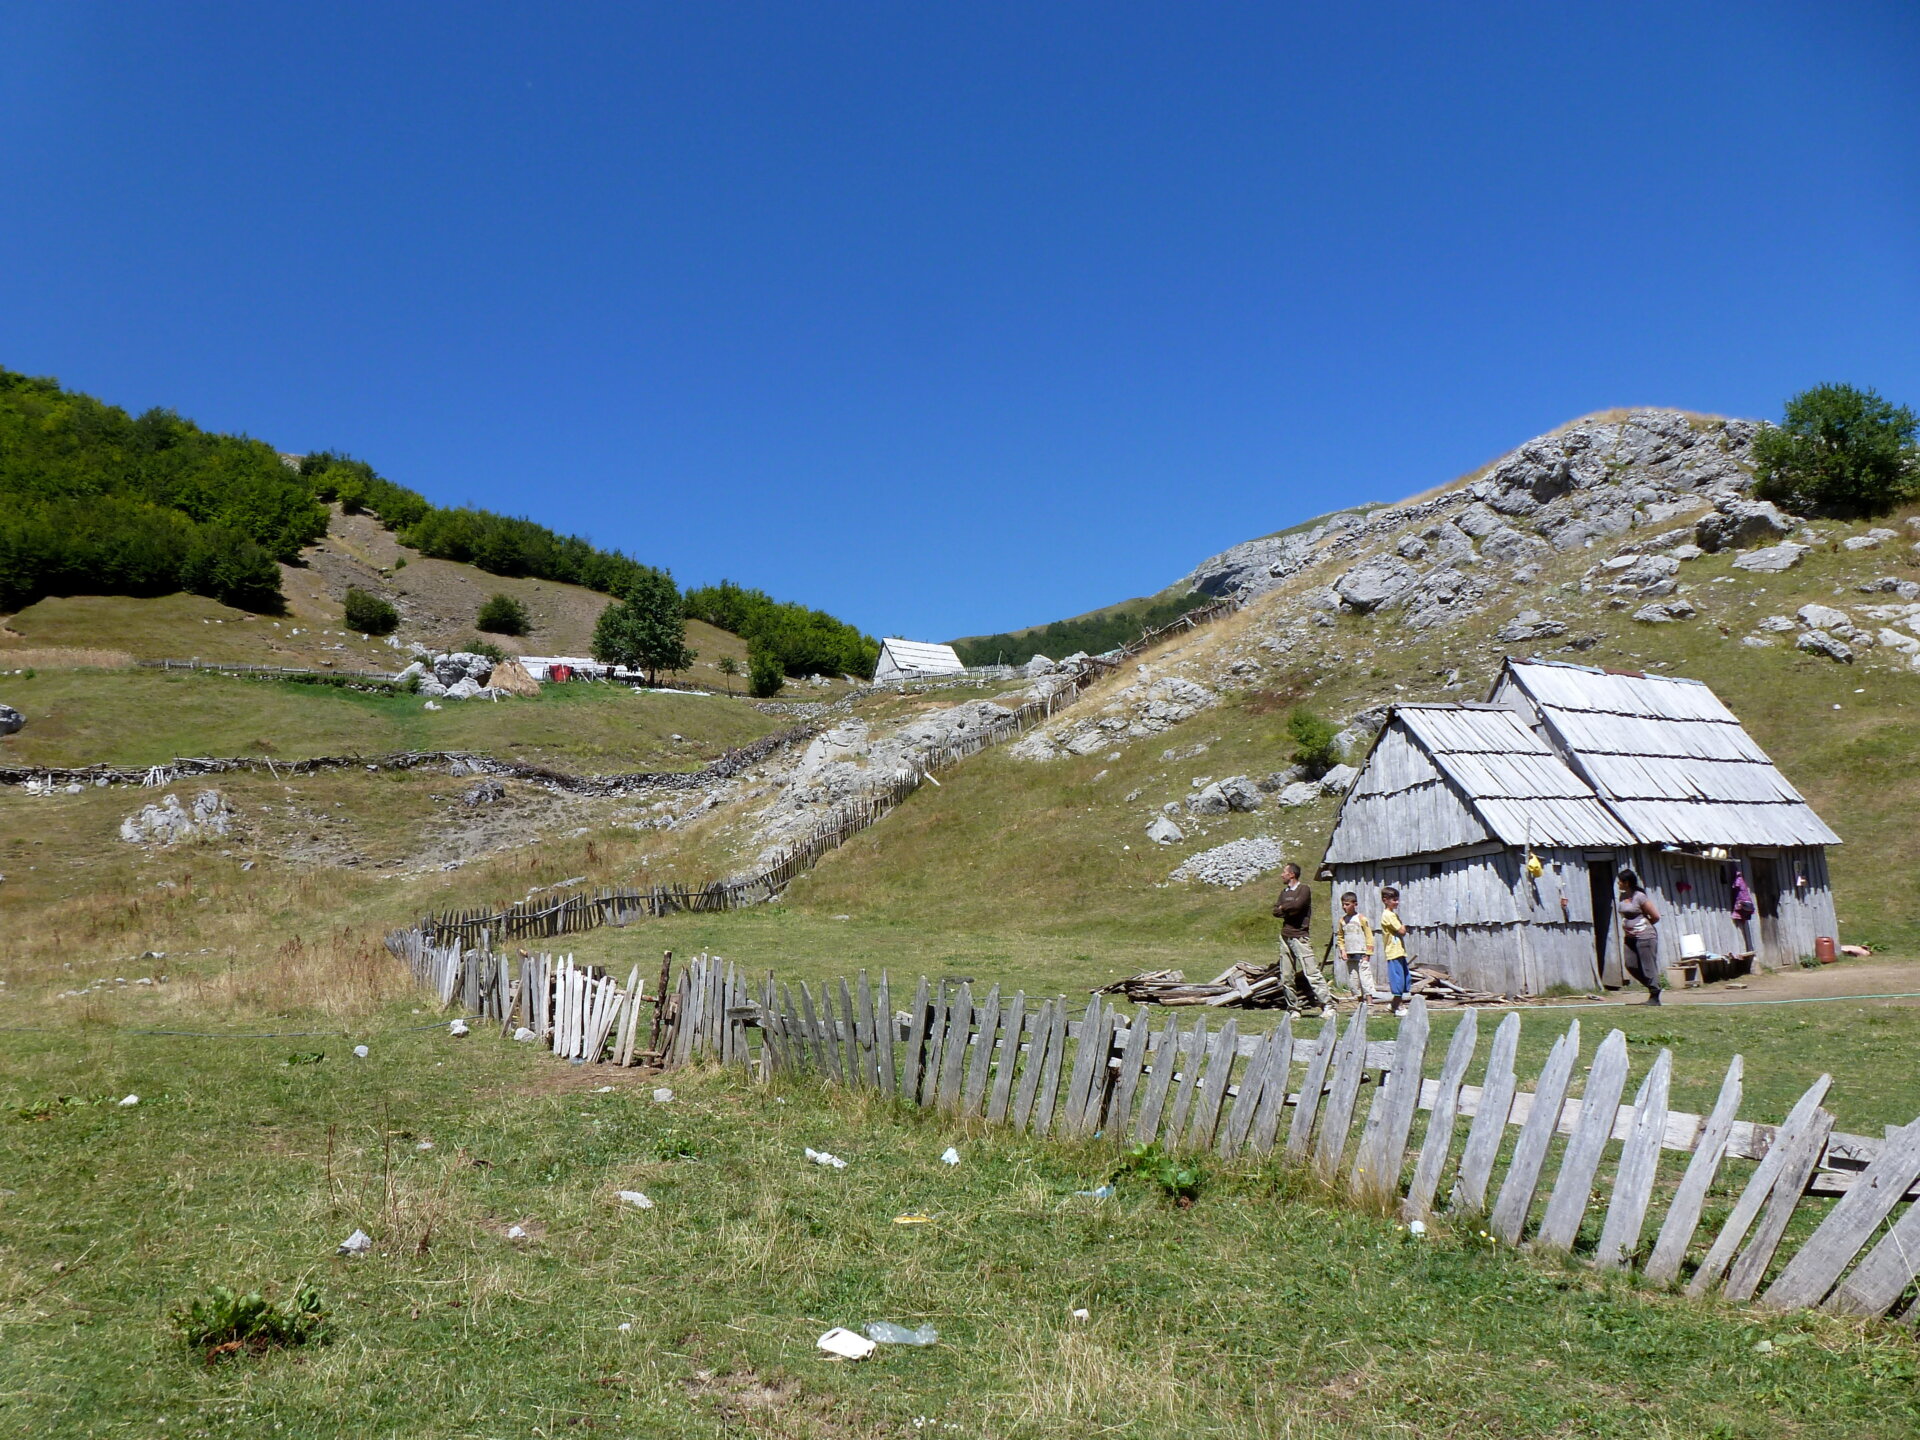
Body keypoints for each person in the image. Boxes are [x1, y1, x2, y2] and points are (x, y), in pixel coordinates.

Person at [1271, 863, 1332, 1016]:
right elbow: (1274, 911)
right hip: (1285, 936)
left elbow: (1298, 905)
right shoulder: (1284, 892)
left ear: (1292, 874)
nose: (1281, 875)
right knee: (1286, 975)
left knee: (1311, 972)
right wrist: (1285, 908)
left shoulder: (1304, 889)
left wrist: (1283, 908)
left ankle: (1328, 1006)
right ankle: (1293, 1008)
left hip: (1300, 937)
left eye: (1284, 872)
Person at [1617, 868, 1663, 1005]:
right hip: (1630, 936)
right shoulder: (1622, 896)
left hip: (1645, 936)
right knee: (1630, 964)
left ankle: (1655, 996)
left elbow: (1655, 916)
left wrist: (1642, 925)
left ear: (1627, 882)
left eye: (1620, 881)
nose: (1618, 884)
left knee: (1648, 966)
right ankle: (1653, 986)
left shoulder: (1640, 896)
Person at [1337, 892, 1379, 1000]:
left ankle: (1369, 1001)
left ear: (1354, 904)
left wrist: (1368, 952)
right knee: (1353, 979)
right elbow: (1340, 937)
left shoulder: (1361, 919)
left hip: (1361, 952)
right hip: (1350, 953)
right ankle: (1360, 1001)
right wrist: (1342, 950)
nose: (1344, 907)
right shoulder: (1342, 921)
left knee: (1365, 978)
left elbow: (1369, 935)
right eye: (1343, 904)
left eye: (1347, 904)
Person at [1379, 886, 1411, 1016]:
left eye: (1397, 900)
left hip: (1399, 951)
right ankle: (1399, 1006)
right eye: (1394, 900)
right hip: (1393, 951)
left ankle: (1394, 1005)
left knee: (1404, 979)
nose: (1397, 902)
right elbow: (1402, 931)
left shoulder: (1393, 915)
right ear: (1385, 900)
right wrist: (1403, 926)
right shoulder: (1388, 915)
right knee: (1398, 980)